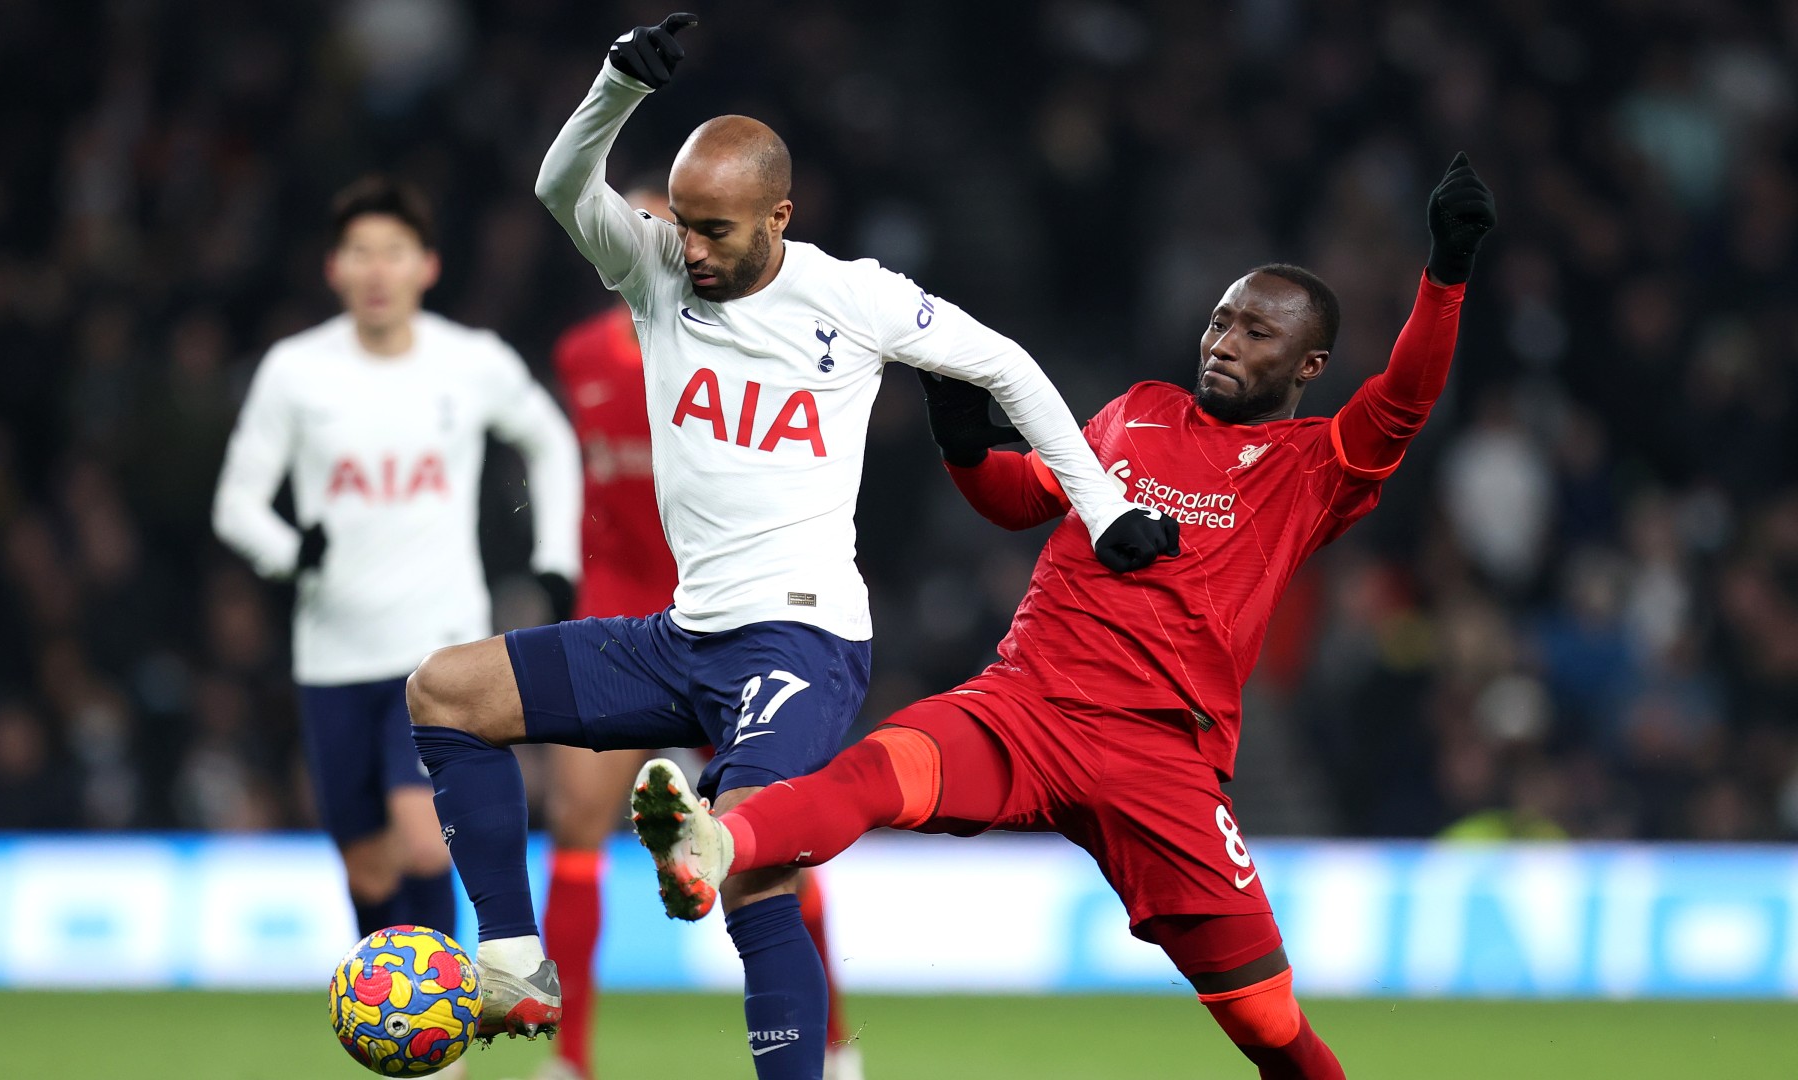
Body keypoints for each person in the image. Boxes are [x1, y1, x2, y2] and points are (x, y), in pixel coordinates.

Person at [402, 13, 1174, 1080]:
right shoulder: (658, 271)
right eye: (683, 224)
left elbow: (1003, 366)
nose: (695, 250)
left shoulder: (855, 298)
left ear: (780, 214)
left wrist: (1097, 506)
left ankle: (737, 913)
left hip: (800, 643)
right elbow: (558, 187)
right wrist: (616, 86)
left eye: (718, 230)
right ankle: (513, 960)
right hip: (681, 637)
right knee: (445, 690)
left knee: (753, 861)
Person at [631, 154, 1498, 1080]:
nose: (1225, 341)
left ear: (1309, 365)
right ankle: (715, 842)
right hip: (1026, 707)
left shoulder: (1313, 466)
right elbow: (1022, 498)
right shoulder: (1138, 414)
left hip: (1160, 757)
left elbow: (1404, 400)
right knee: (872, 775)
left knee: (1270, 1026)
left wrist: (1444, 274)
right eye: (1219, 321)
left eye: (1256, 331)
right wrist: (965, 447)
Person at [537, 184, 864, 1080]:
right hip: (618, 601)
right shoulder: (578, 356)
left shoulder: (741, 345)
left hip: (734, 610)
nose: (671, 246)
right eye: (651, 227)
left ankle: (835, 1045)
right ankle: (568, 1061)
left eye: (678, 230)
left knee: (772, 832)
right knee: (575, 821)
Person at [211, 176, 581, 964]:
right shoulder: (295, 371)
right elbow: (236, 503)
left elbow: (549, 440)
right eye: (360, 253)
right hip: (333, 654)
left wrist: (556, 563)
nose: (377, 270)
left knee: (422, 842)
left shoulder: (469, 361)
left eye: (394, 253)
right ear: (334, 269)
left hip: (437, 651)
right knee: (368, 867)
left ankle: (439, 1039)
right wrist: (288, 552)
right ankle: (407, 1035)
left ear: (428, 266)